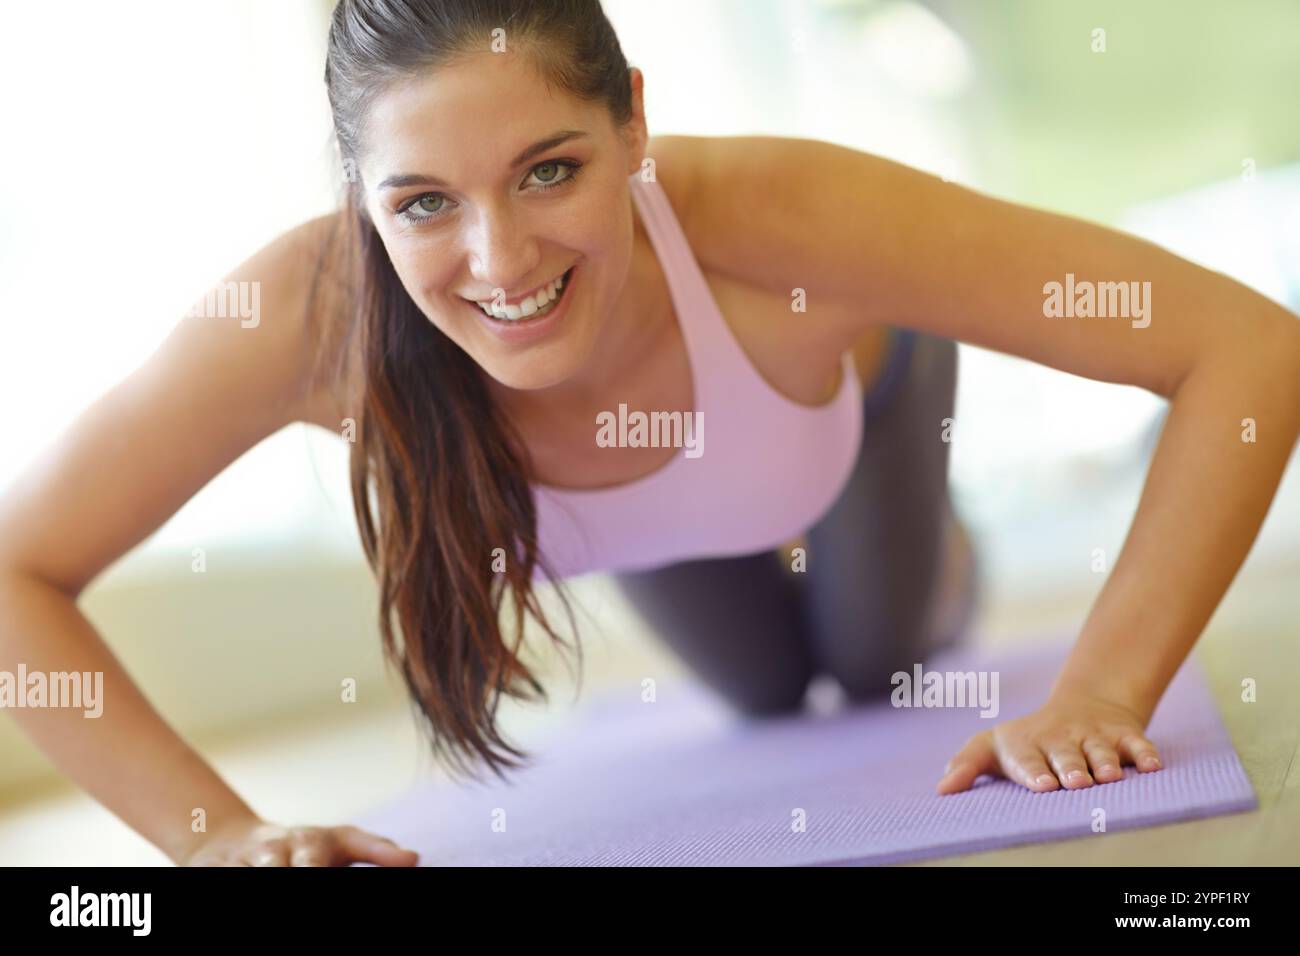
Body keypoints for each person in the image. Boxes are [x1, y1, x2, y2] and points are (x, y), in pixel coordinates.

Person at [0, 0, 1296, 867]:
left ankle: (944, 536)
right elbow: (17, 572)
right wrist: (215, 838)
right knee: (768, 697)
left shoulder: (781, 213)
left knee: (879, 657)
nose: (499, 260)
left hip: (834, 425)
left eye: (551, 168)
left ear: (631, 118)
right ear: (360, 196)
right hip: (672, 517)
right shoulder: (304, 318)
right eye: (424, 201)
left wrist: (1104, 688)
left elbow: (1247, 344)